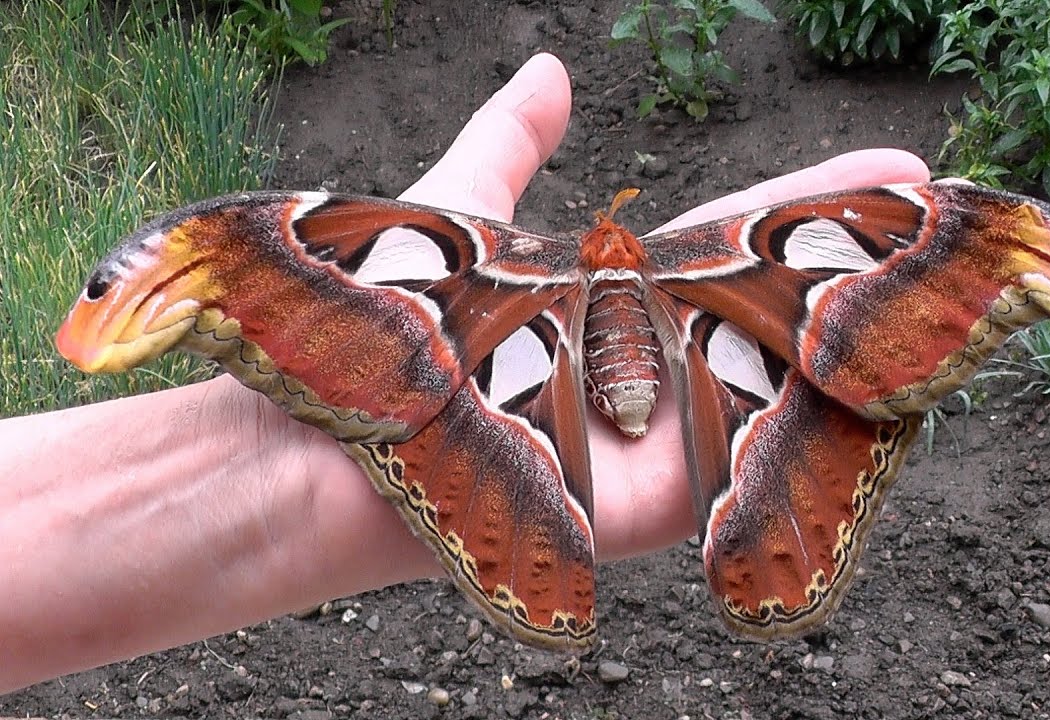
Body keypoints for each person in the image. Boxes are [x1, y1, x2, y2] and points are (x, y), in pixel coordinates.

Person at [0, 53, 930, 693]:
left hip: (524, 341)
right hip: (633, 341)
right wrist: (207, 268)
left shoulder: (495, 260)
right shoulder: (705, 251)